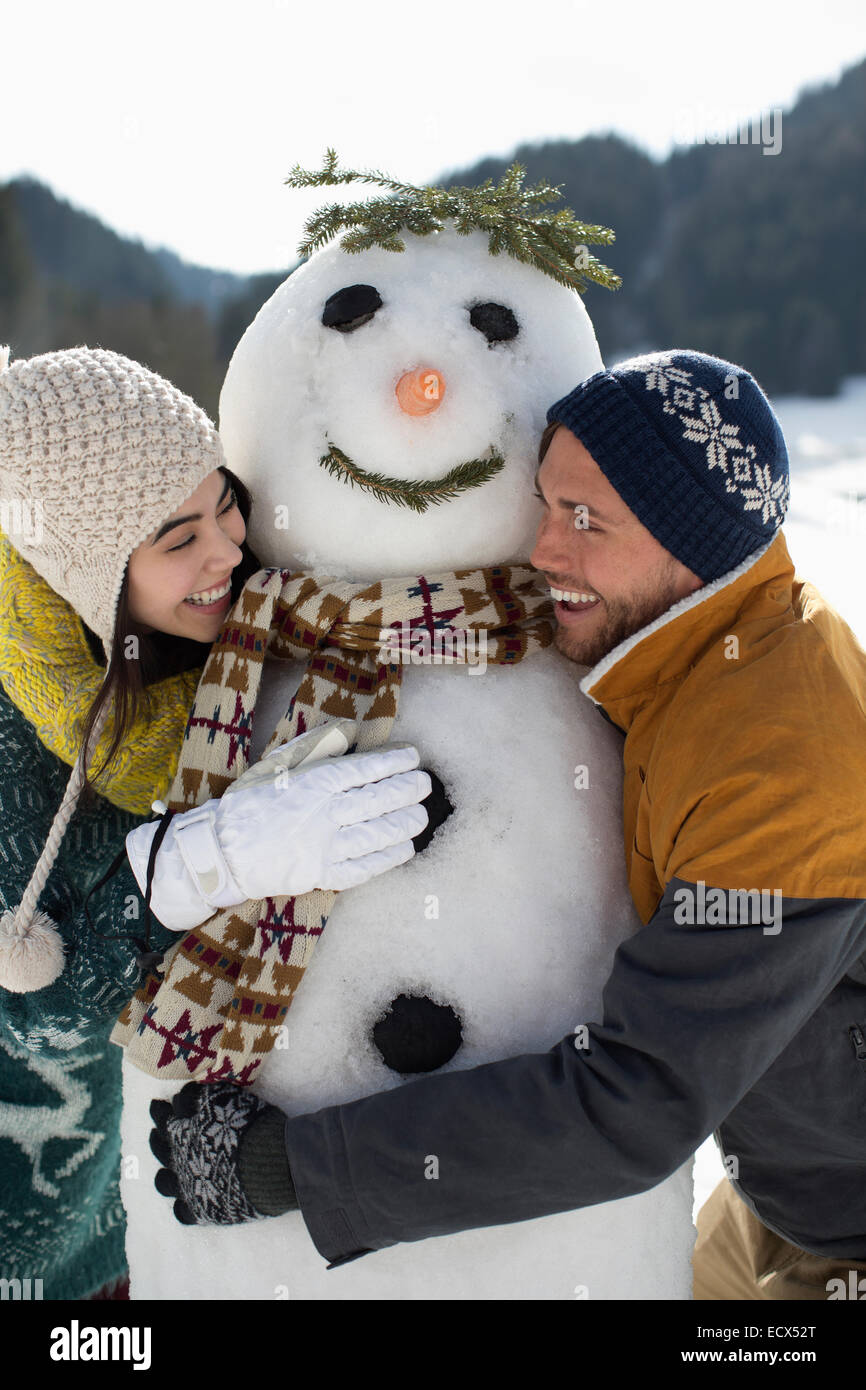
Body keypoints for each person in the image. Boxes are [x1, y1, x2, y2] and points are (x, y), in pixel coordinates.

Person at [150, 349, 866, 1302]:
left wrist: (302, 1167)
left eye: (586, 521)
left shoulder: (780, 767)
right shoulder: (700, 641)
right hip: (779, 1191)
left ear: (688, 542)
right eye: (546, 503)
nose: (543, 552)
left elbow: (634, 1103)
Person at [0, 345, 429, 1299]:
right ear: (91, 576)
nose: (228, 551)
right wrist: (200, 867)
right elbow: (30, 1018)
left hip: (130, 1231)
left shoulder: (217, 635)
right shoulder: (13, 738)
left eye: (225, 500)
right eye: (177, 537)